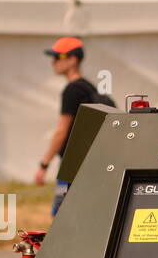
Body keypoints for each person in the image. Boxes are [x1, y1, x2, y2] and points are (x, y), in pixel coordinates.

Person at [35, 36, 108, 216]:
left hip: (72, 166)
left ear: (73, 59)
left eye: (58, 57)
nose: (53, 62)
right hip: (91, 164)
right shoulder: (90, 88)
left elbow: (61, 132)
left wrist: (43, 165)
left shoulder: (72, 90)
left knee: (61, 216)